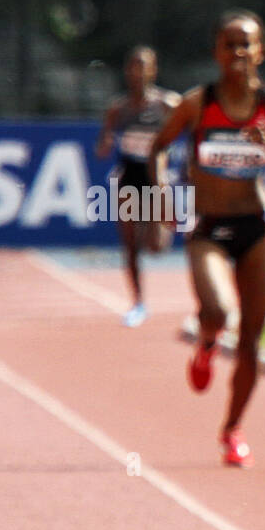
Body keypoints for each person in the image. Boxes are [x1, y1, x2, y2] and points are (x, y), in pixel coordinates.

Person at [149, 9, 265, 467]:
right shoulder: (197, 104)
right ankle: (204, 345)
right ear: (216, 51)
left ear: (261, 51)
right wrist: (161, 198)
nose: (239, 53)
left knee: (251, 340)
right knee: (218, 311)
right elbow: (159, 147)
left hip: (257, 226)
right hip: (209, 227)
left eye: (247, 44)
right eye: (229, 44)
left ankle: (232, 429)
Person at [96, 46, 181, 327]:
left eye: (143, 66)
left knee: (156, 246)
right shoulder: (118, 108)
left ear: (153, 70)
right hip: (129, 177)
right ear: (127, 71)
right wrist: (106, 143)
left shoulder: (167, 103)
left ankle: (154, 228)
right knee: (131, 246)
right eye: (133, 66)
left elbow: (192, 126)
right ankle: (138, 302)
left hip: (157, 177)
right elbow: (102, 146)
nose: (138, 72)